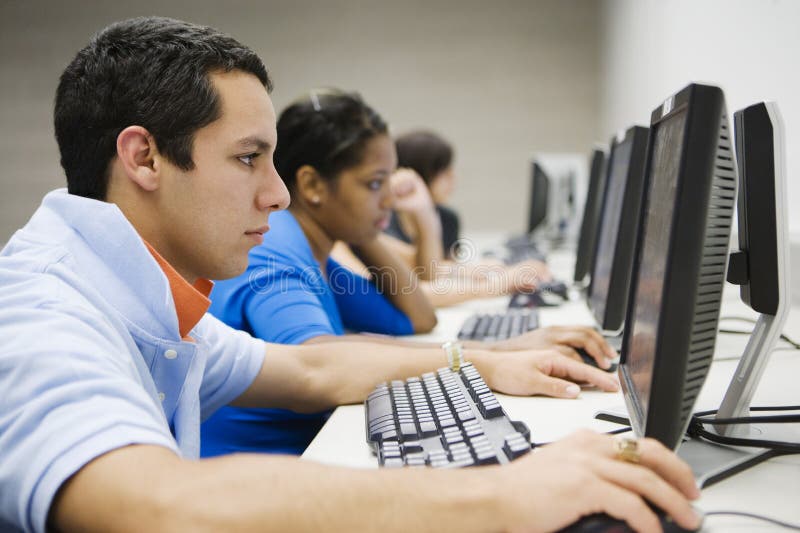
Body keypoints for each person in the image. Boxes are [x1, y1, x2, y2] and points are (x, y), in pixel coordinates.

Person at [0, 16, 702, 533]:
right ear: (144, 158)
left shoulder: (145, 300)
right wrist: (508, 494)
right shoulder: (41, 316)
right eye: (248, 158)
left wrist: (488, 362)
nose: (276, 195)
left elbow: (312, 370)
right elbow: (155, 505)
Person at [201, 90, 617, 457]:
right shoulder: (274, 249)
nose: (389, 200)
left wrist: (503, 349)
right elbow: (320, 360)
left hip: (302, 453)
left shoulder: (316, 250)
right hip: (259, 468)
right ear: (312, 186)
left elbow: (414, 318)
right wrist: (487, 362)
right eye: (373, 184)